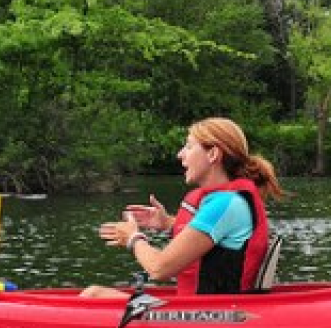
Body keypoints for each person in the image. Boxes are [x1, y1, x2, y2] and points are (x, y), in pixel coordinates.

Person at [81, 117, 284, 298]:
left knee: (92, 295)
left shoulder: (224, 204)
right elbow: (213, 240)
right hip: (206, 311)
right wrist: (169, 223)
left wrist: (133, 238)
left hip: (213, 317)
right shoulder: (226, 202)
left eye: (188, 146)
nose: (180, 154)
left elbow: (159, 269)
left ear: (213, 154)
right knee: (94, 294)